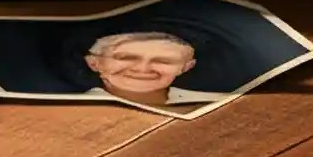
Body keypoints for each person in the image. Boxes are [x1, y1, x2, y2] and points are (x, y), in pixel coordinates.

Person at [83, 32, 225, 106]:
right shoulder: (71, 109)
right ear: (94, 63)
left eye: (163, 61)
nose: (142, 69)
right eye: (126, 58)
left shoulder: (219, 105)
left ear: (186, 67)